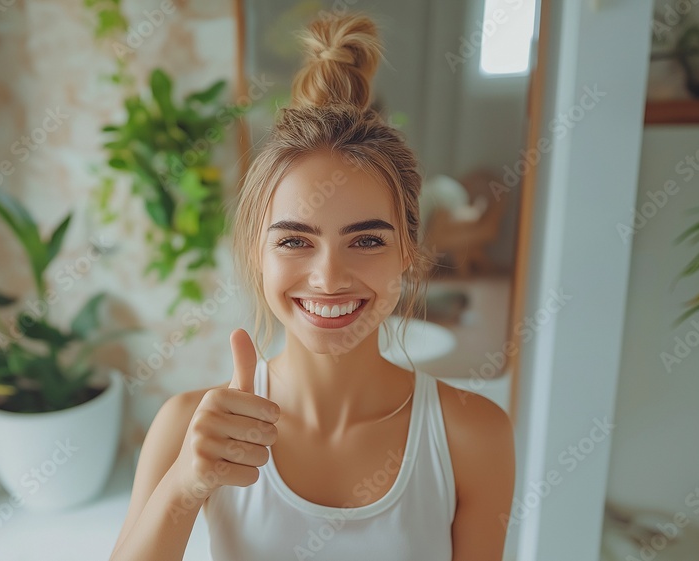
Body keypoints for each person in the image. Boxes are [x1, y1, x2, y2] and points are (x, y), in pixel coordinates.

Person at [110, 11, 515, 561]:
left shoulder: (474, 435)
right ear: (258, 256)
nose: (328, 278)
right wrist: (186, 483)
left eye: (367, 241)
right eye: (295, 241)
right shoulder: (186, 427)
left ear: (410, 254)